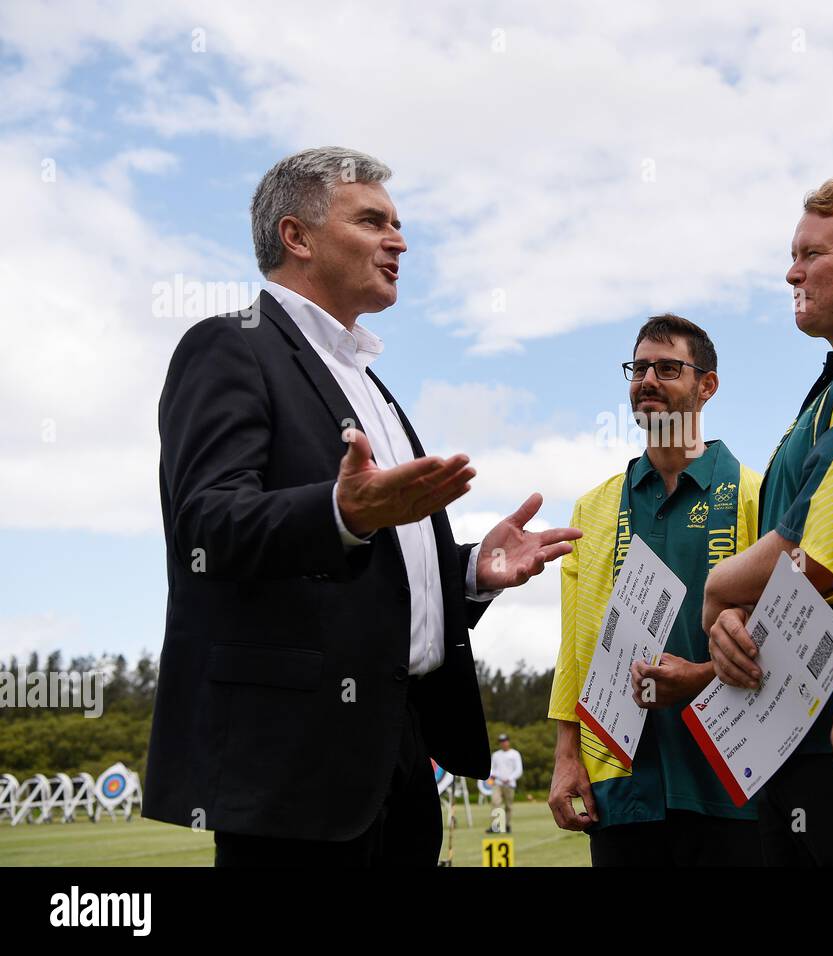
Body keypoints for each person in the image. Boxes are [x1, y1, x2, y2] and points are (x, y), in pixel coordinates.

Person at [145, 146, 580, 867]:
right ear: (297, 236)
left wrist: (469, 571)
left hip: (401, 750)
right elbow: (206, 524)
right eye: (373, 221)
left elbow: (382, 573)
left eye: (397, 224)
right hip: (297, 762)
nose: (399, 241)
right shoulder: (228, 347)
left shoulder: (370, 383)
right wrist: (340, 513)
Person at [703, 181, 833, 866]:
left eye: (812, 255)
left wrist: (718, 589)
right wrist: (733, 618)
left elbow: (811, 551)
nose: (792, 273)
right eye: (791, 256)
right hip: (790, 730)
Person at [547, 315, 763, 866]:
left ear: (707, 385)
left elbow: (785, 633)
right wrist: (566, 755)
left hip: (735, 777)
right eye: (639, 368)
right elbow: (574, 648)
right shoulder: (593, 508)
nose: (647, 380)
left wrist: (701, 677)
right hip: (624, 789)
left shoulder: (756, 495)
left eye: (667, 368)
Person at [487, 734, 523, 833]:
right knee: (495, 803)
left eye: (505, 741)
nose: (503, 743)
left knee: (508, 806)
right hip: (497, 783)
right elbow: (492, 769)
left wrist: (510, 778)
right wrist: (493, 777)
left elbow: (519, 770)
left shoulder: (515, 754)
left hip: (509, 784)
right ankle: (495, 826)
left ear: (508, 742)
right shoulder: (496, 755)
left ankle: (506, 825)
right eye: (501, 742)